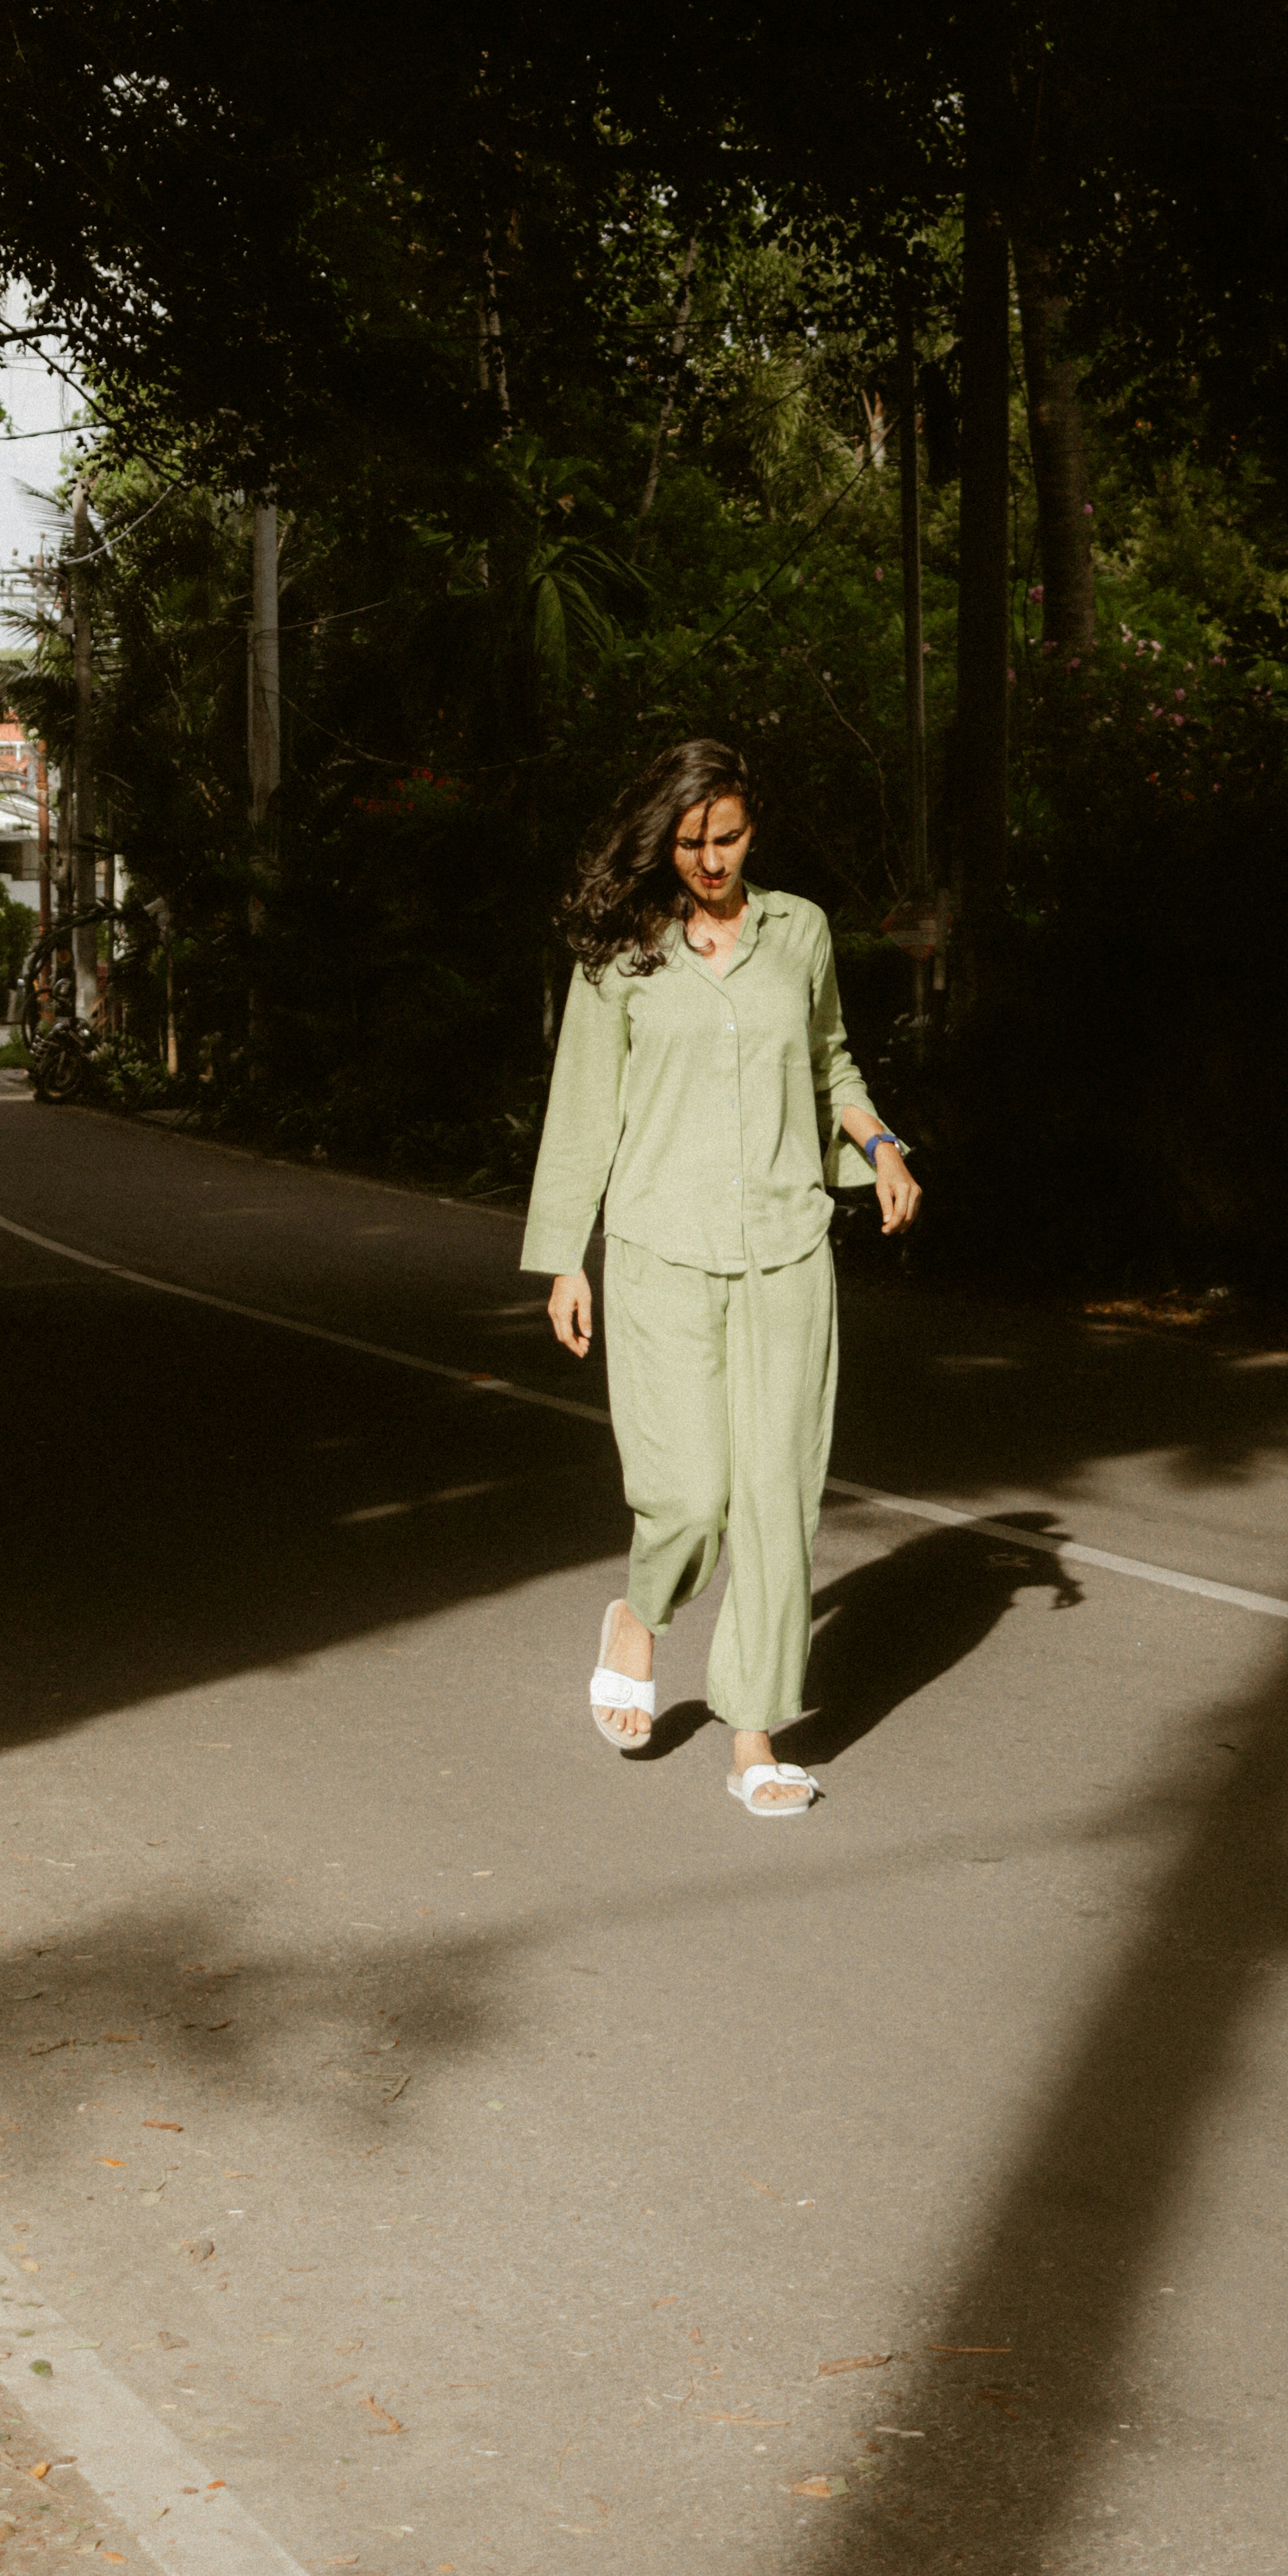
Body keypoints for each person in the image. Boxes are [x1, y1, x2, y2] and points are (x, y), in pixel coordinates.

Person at [521, 737, 920, 1816]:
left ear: (756, 829)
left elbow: (830, 1058)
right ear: (664, 839)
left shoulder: (799, 933)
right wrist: (565, 1255)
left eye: (728, 837)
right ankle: (638, 1619)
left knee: (777, 1503)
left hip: (786, 1249)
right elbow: (583, 1108)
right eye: (690, 841)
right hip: (658, 1255)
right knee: (690, 1497)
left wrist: (880, 1148)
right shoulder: (623, 952)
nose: (709, 859)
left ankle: (753, 1735)